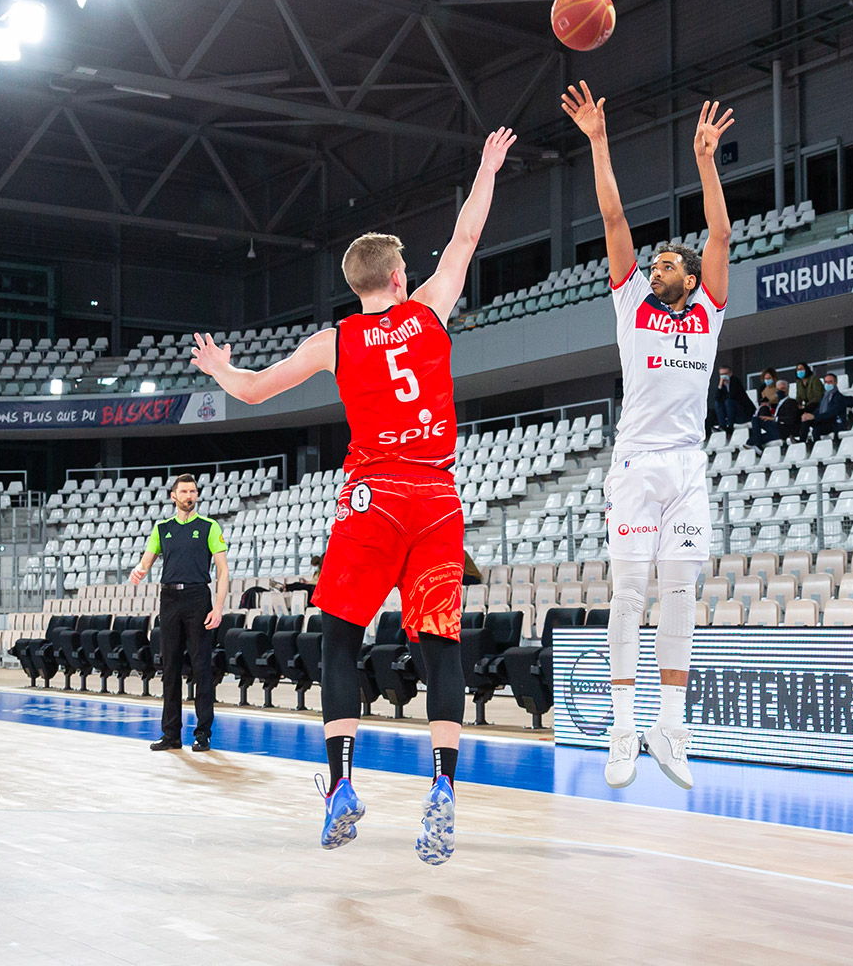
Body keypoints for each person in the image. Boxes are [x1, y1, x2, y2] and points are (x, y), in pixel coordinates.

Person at [191, 125, 517, 865]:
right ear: (400, 277)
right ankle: (443, 788)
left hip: (374, 498)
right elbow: (466, 235)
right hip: (436, 498)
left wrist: (218, 368)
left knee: (339, 637)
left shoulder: (333, 342)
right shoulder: (430, 308)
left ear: (358, 285)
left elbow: (249, 390)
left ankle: (340, 786)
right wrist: (487, 166)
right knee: (438, 644)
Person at [564, 81, 733, 792]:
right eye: (655, 260)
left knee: (681, 594)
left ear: (690, 277)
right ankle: (624, 726)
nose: (656, 265)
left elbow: (722, 234)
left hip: (688, 466)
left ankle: (671, 725)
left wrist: (706, 161)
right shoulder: (631, 299)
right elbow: (611, 214)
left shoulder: (709, 312)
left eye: (669, 261)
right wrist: (599, 141)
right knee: (630, 592)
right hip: (635, 465)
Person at [129, 474, 229, 754]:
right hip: (170, 598)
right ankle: (171, 734)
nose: (189, 495)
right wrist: (139, 570)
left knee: (201, 667)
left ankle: (203, 733)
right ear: (173, 496)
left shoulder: (209, 526)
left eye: (193, 491)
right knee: (169, 667)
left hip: (199, 597)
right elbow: (147, 560)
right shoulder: (162, 529)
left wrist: (218, 607)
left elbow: (222, 570)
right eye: (184, 491)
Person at [801, 372, 852, 439]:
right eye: (826, 382)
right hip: (823, 420)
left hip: (834, 422)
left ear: (835, 383)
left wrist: (814, 416)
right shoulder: (824, 396)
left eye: (830, 382)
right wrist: (809, 415)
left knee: (816, 430)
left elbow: (832, 413)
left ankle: (818, 447)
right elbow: (819, 410)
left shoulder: (839, 397)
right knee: (806, 420)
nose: (827, 384)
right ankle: (802, 442)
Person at [709, 365, 753, 435]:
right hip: (731, 412)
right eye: (721, 374)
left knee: (728, 402)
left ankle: (730, 426)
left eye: (725, 374)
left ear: (730, 373)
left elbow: (732, 396)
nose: (723, 376)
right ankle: (722, 425)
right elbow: (717, 398)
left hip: (742, 412)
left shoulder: (735, 382)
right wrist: (720, 386)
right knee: (718, 403)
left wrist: (726, 385)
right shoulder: (722, 385)